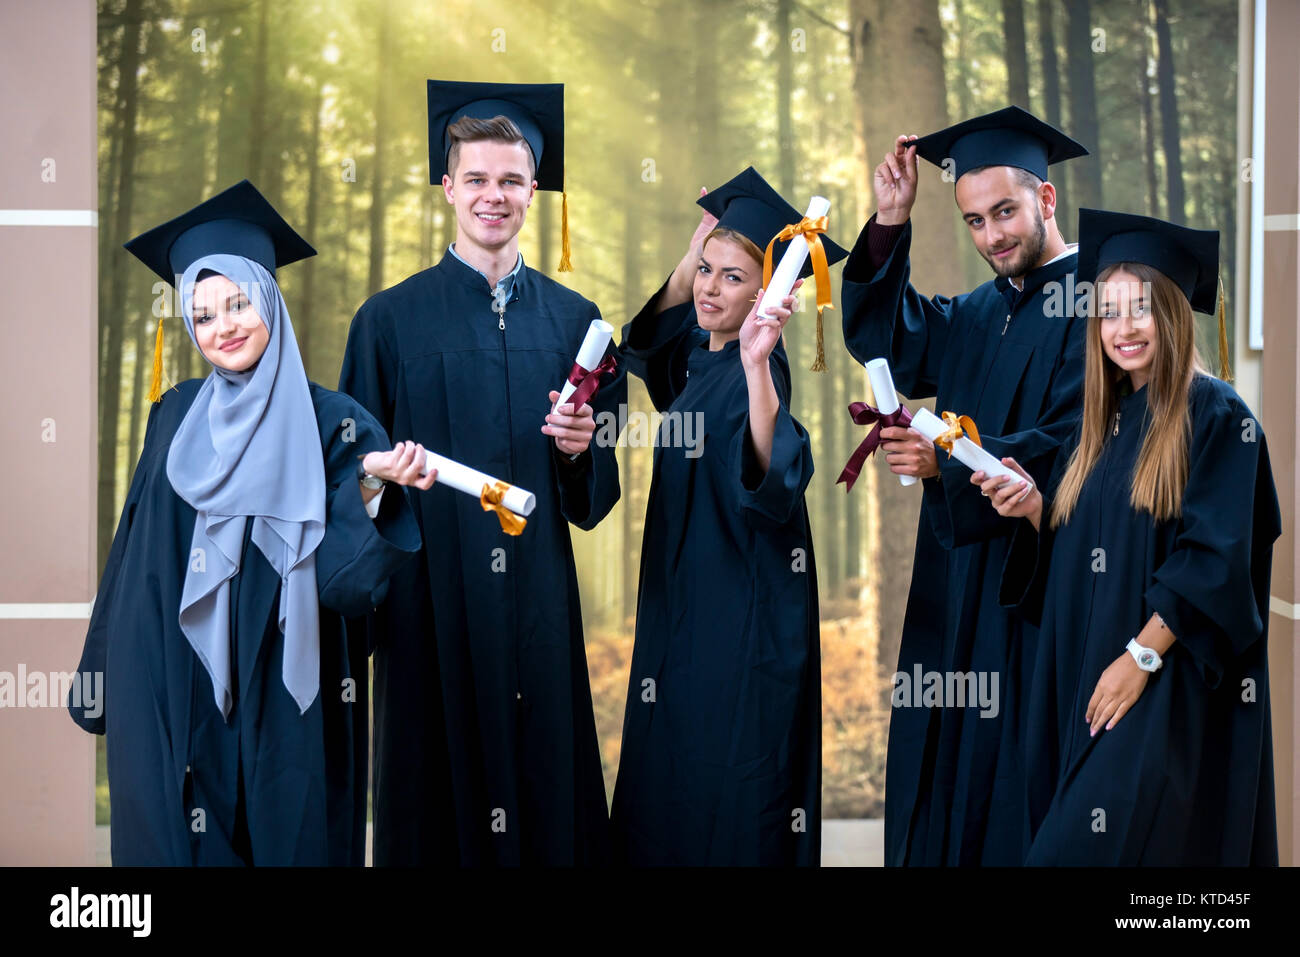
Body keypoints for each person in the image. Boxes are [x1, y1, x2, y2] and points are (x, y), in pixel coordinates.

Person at [70, 180, 428, 865]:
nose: (223, 326)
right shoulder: (174, 417)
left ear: (269, 298)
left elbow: (348, 588)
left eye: (237, 302)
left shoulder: (337, 424)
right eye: (202, 316)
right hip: (177, 682)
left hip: (287, 700)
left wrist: (373, 487)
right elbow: (134, 557)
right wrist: (105, 681)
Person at [339, 80, 625, 866]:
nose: (492, 196)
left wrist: (577, 448)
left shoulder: (578, 322)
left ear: (535, 188)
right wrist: (375, 479)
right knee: (432, 785)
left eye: (510, 180)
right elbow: (345, 476)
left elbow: (596, 496)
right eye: (475, 179)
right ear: (447, 187)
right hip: (426, 599)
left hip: (535, 592)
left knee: (543, 774)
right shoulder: (389, 320)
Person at [975, 209, 1279, 865]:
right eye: (1108, 313)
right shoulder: (1101, 425)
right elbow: (1086, 553)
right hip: (1089, 686)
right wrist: (1036, 509)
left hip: (1161, 688)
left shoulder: (1216, 415)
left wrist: (1139, 658)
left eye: (1140, 309)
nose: (1123, 329)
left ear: (1171, 312)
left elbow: (1216, 561)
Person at [841, 106, 1090, 865]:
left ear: (1046, 200)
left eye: (1006, 212)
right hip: (958, 586)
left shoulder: (1099, 301)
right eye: (976, 222)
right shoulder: (981, 311)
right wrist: (889, 222)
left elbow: (1078, 442)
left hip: (1036, 589)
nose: (992, 237)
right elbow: (888, 336)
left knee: (1017, 781)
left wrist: (944, 460)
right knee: (948, 775)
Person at [610, 168, 845, 865]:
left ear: (770, 292)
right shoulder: (695, 362)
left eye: (733, 277)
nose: (711, 287)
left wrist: (756, 363)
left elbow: (777, 473)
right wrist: (689, 264)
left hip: (744, 627)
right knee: (676, 791)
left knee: (736, 798)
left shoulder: (757, 373)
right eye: (708, 270)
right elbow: (643, 346)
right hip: (685, 619)